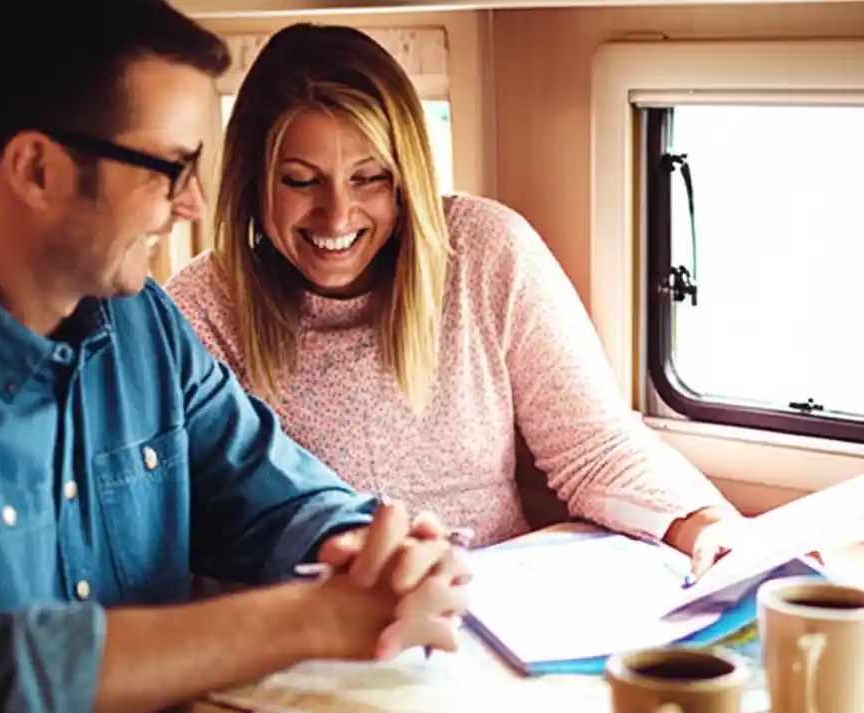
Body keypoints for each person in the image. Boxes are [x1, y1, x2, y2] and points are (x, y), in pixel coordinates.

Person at [0, 4, 468, 713]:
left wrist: (373, 551)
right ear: (37, 168)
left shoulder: (143, 325)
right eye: (170, 168)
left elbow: (272, 493)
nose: (194, 203)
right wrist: (310, 619)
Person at [167, 23, 747, 579]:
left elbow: (594, 447)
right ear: (252, 183)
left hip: (500, 605)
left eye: (368, 177)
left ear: (406, 177)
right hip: (323, 633)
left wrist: (704, 525)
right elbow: (202, 534)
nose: (337, 215)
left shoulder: (484, 249)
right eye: (301, 181)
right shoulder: (197, 313)